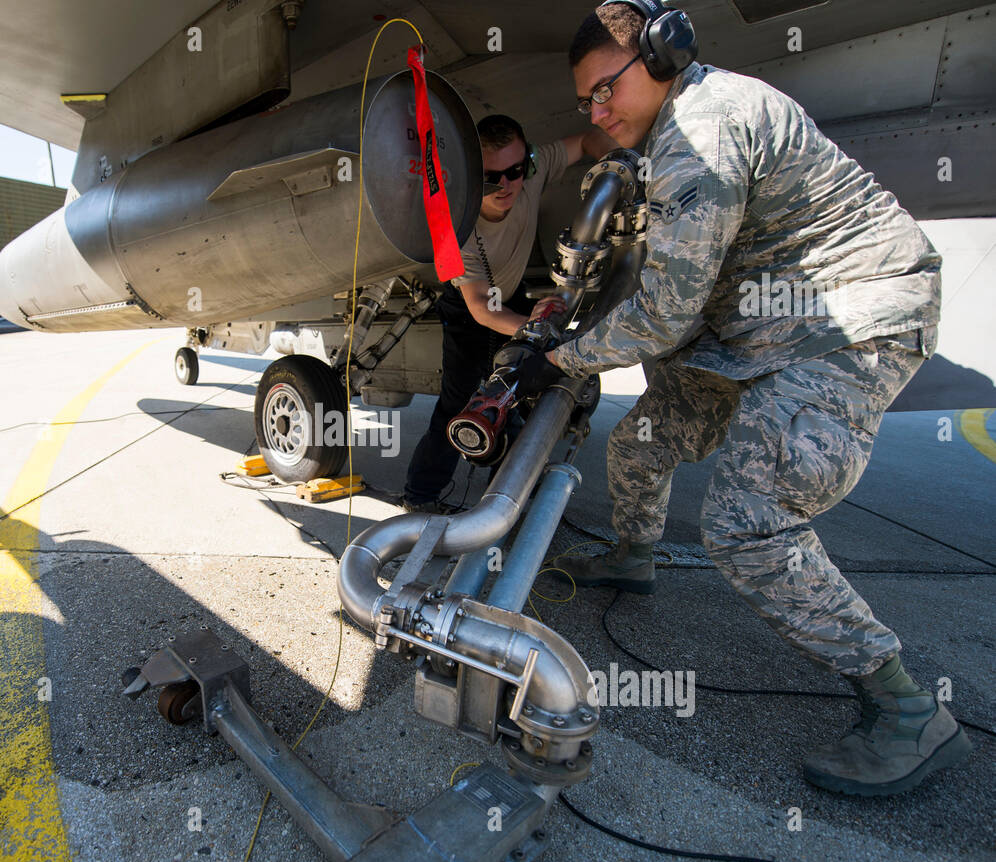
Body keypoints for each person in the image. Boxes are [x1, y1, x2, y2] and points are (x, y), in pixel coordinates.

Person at [525, 0, 971, 795]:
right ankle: (632, 556)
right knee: (642, 441)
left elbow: (664, 312)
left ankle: (906, 707)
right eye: (585, 101)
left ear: (659, 59)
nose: (596, 111)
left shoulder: (705, 134)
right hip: (767, 328)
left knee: (746, 519)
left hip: (849, 320)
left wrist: (561, 356)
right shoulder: (673, 130)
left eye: (606, 89)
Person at [402, 114, 617, 512]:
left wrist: (620, 169)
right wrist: (533, 329)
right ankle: (420, 496)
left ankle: (509, 498)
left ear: (528, 164)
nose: (505, 186)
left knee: (518, 396)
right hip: (471, 310)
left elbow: (588, 139)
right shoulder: (458, 224)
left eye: (515, 171)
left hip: (512, 296)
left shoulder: (532, 172)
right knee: (462, 404)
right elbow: (481, 306)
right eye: (491, 177)